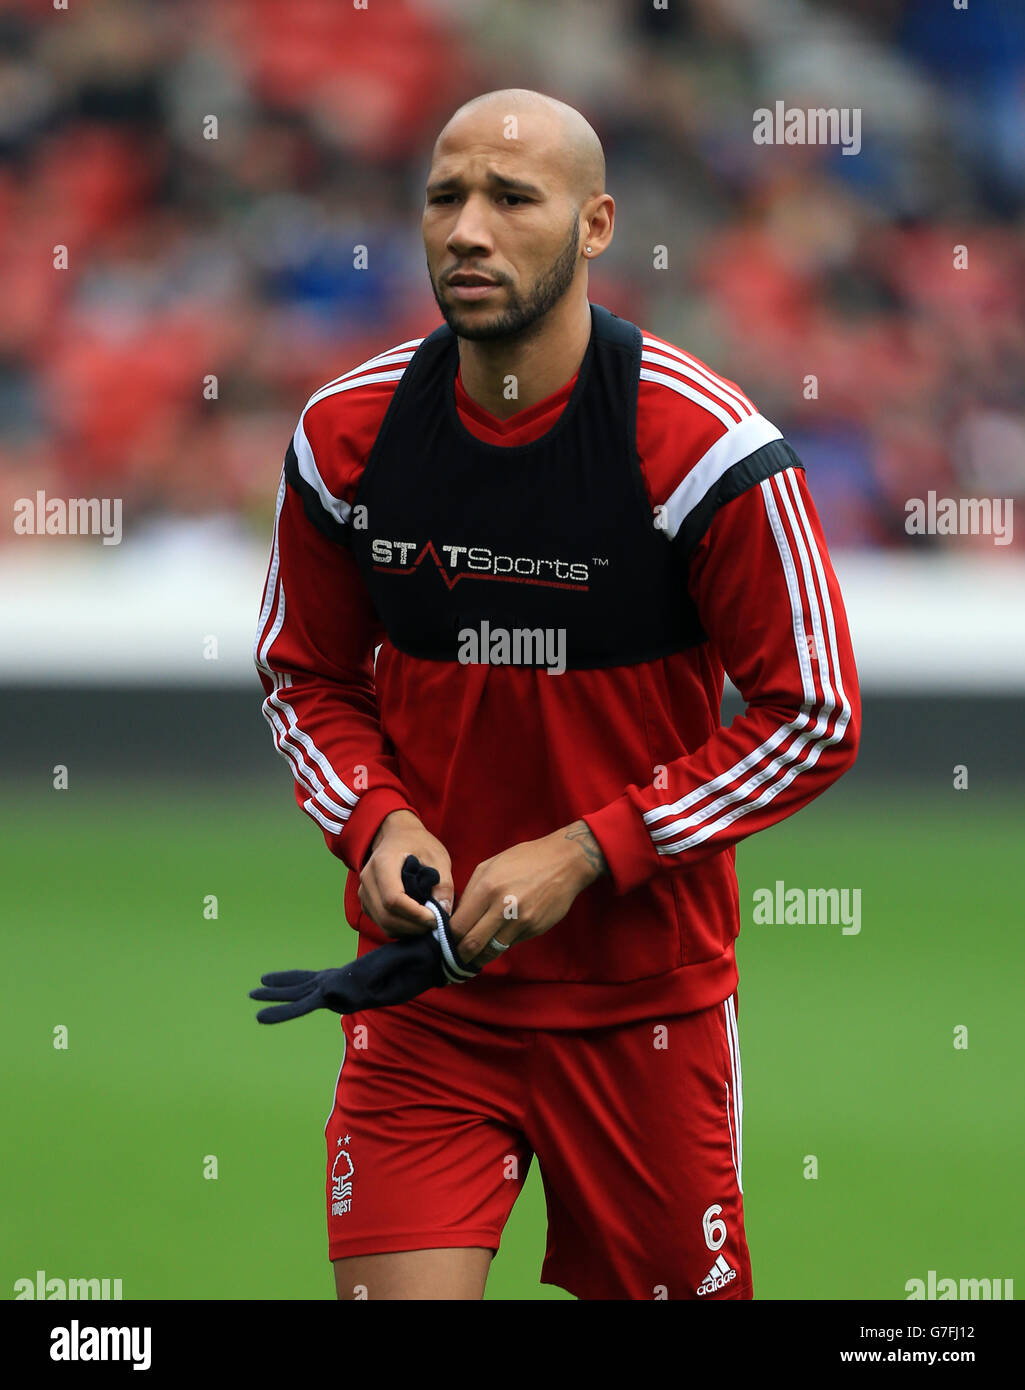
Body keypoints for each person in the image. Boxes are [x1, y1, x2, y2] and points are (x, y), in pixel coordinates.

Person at [254, 88, 861, 1301]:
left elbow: (814, 715)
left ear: (593, 226)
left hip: (642, 1012)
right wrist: (376, 823)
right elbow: (301, 675)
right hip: (429, 1000)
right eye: (444, 197)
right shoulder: (345, 436)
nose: (467, 230)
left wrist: (589, 850)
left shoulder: (702, 446)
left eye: (510, 199)